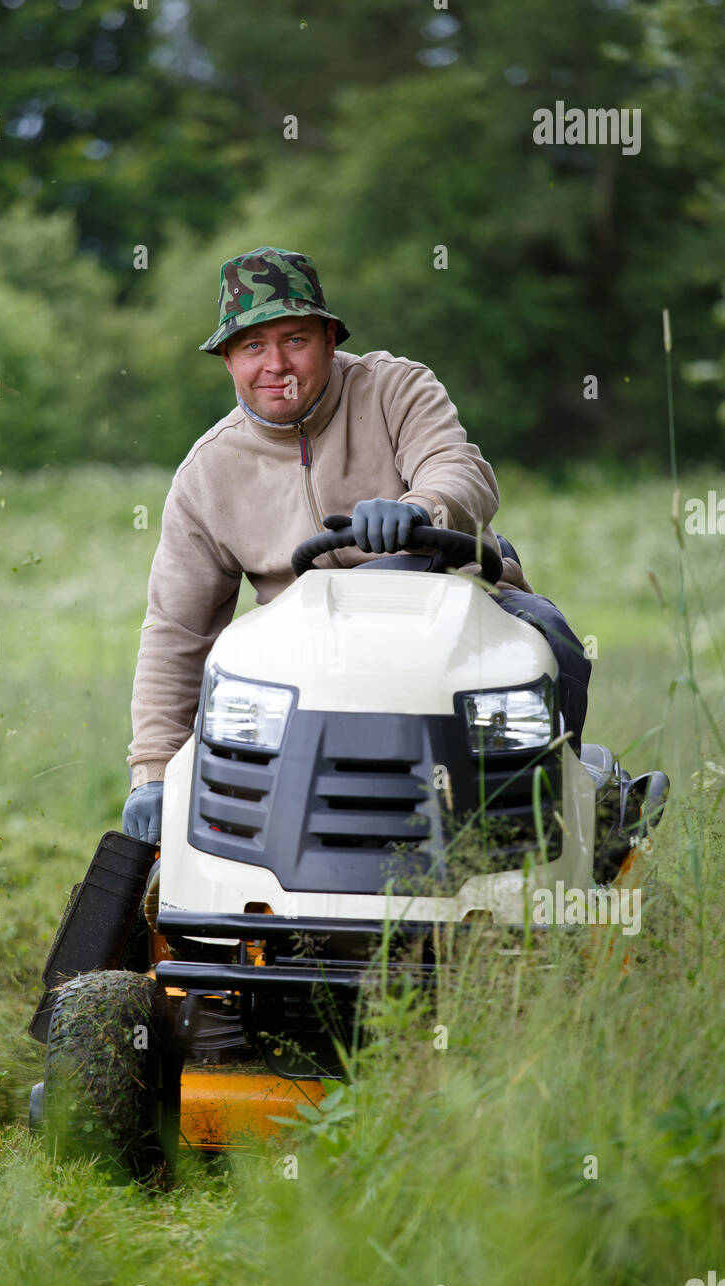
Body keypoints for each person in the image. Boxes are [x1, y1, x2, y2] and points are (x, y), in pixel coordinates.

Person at [122, 246, 591, 842]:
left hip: (459, 611)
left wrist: (418, 509)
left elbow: (459, 469)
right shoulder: (206, 473)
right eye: (252, 347)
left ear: (328, 337)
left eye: (294, 340)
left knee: (548, 642)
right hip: (306, 652)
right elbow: (176, 630)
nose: (275, 364)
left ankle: (567, 818)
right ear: (228, 361)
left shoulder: (397, 387)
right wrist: (154, 772)